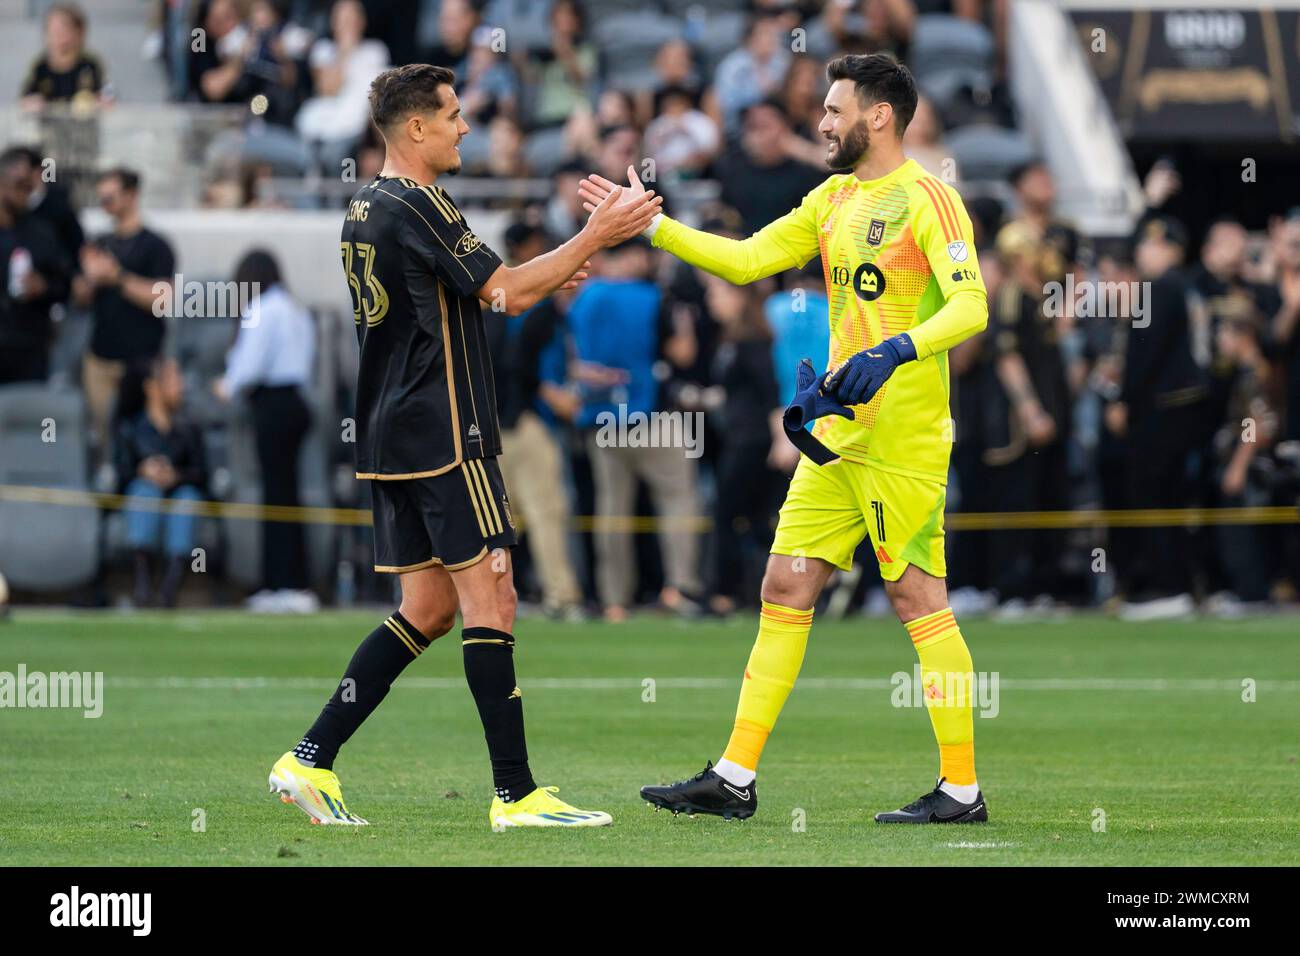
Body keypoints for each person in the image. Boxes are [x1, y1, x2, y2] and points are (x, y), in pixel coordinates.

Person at [581, 52, 990, 823]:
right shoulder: (832, 199)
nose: (823, 121)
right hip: (837, 434)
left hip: (904, 436)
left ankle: (962, 791)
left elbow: (973, 307)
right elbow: (745, 262)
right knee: (785, 585)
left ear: (878, 115)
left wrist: (895, 350)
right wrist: (657, 226)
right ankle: (734, 778)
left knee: (915, 595)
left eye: (835, 110)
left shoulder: (929, 200)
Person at [267, 63, 661, 829]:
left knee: (427, 607)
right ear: (416, 128)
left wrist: (554, 270)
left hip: (389, 435)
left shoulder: (367, 206)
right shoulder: (421, 203)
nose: (465, 127)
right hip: (448, 433)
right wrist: (596, 235)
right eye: (452, 115)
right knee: (496, 597)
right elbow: (505, 292)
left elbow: (462, 301)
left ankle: (309, 758)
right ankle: (516, 795)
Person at [568, 238, 705, 622]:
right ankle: (680, 588)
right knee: (678, 502)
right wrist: (684, 324)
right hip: (651, 414)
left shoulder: (584, 297)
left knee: (613, 510)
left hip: (602, 416)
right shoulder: (654, 297)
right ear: (633, 256)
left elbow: (572, 358)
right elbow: (682, 354)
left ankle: (613, 600)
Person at [490, 221, 584, 619]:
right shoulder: (533, 303)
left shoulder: (484, 298)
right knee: (546, 511)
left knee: (494, 523)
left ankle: (481, 599)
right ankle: (560, 596)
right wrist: (552, 393)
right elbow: (522, 365)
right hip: (521, 422)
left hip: (483, 423)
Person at [215, 250, 317, 613]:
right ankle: (291, 582)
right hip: (296, 404)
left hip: (274, 405)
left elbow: (249, 364)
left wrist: (226, 386)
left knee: (277, 495)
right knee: (286, 493)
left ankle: (283, 584)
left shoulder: (263, 309)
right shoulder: (295, 309)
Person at [73, 168, 176, 462]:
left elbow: (163, 299)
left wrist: (117, 277)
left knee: (146, 441)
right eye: (101, 199)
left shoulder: (155, 245)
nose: (105, 204)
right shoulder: (100, 242)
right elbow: (80, 300)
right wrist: (89, 279)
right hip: (100, 361)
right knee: (105, 441)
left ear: (131, 196)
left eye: (111, 197)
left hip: (141, 363)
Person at [115, 357, 208, 608]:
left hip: (179, 494)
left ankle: (170, 588)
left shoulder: (190, 428)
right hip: (146, 492)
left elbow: (202, 475)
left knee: (187, 501)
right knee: (144, 494)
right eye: (172, 380)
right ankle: (142, 586)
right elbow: (119, 476)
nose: (180, 386)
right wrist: (142, 470)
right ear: (152, 387)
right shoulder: (130, 428)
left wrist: (175, 476)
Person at [0, 150, 70, 384]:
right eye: (20, 184)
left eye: (30, 186)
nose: (26, 192)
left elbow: (63, 284)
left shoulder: (42, 233)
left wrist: (43, 287)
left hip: (28, 348)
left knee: (29, 413)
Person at [19, 3, 108, 111]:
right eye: (54, 33)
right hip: (48, 126)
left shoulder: (90, 65)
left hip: (83, 126)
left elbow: (107, 93)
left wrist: (102, 101)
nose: (59, 39)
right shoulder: (40, 67)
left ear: (79, 34)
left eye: (65, 32)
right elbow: (24, 100)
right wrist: (31, 103)